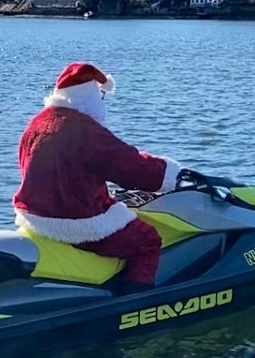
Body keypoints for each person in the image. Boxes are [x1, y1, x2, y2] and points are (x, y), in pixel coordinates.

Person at [13, 63, 182, 293]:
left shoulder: (37, 123)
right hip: (78, 223)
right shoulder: (84, 130)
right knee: (148, 240)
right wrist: (169, 172)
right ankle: (135, 301)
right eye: (101, 95)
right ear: (89, 96)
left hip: (34, 215)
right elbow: (130, 166)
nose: (103, 102)